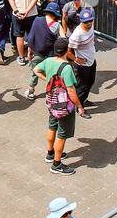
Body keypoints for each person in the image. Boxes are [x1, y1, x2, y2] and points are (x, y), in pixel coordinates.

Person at [34, 36, 85, 174]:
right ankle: (56, 164)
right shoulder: (67, 68)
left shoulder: (48, 61)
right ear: (67, 51)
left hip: (51, 100)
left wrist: (48, 80)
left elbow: (36, 70)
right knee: (62, 134)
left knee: (52, 126)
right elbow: (71, 91)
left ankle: (50, 153)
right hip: (64, 105)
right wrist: (80, 107)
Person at [24, 1, 62, 100]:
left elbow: (31, 37)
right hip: (51, 54)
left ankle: (31, 90)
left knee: (35, 72)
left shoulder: (37, 20)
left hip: (37, 52)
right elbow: (63, 38)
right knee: (52, 73)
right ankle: (53, 91)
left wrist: (29, 51)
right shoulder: (57, 25)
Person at [68, 7, 98, 111]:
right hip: (82, 66)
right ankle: (78, 107)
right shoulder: (77, 34)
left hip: (91, 60)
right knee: (82, 87)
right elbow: (68, 51)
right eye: (86, 22)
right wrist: (76, 59)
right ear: (81, 21)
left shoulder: (91, 25)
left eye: (90, 20)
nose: (89, 23)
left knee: (90, 82)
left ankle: (83, 100)